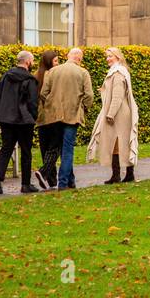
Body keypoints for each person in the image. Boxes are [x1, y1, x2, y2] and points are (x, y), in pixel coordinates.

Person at [39, 46, 94, 190]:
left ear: (68, 56)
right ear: (80, 59)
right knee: (67, 149)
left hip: (54, 116)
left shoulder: (52, 71)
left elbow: (44, 93)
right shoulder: (83, 72)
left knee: (62, 148)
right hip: (73, 115)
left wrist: (52, 105)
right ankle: (63, 183)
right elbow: (89, 95)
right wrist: (84, 108)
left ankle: (71, 181)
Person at [0, 50, 39, 195]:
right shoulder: (30, 79)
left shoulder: (6, 76)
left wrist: (2, 107)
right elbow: (32, 102)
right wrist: (33, 116)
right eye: (33, 61)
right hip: (24, 120)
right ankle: (25, 184)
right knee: (25, 151)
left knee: (6, 148)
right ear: (28, 62)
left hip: (6, 118)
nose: (33, 63)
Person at [89, 47, 139, 183]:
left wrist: (110, 114)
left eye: (110, 56)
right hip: (120, 112)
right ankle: (124, 175)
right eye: (107, 56)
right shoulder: (118, 72)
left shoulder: (117, 73)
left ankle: (121, 175)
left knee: (117, 143)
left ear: (117, 57)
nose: (107, 59)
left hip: (118, 114)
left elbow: (117, 96)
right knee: (119, 143)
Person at [32, 49, 61, 189]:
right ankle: (44, 173)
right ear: (49, 62)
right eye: (55, 61)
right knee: (55, 147)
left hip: (40, 118)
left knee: (45, 147)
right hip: (53, 116)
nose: (58, 63)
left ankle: (51, 179)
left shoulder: (36, 76)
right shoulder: (54, 75)